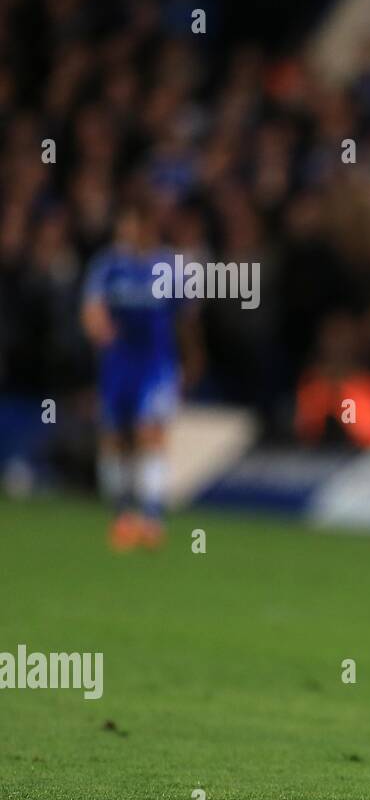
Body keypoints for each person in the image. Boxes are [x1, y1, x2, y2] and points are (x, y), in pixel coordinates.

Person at [81, 203, 200, 550]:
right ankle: (121, 516)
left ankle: (151, 518)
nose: (128, 233)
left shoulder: (170, 267)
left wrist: (193, 356)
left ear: (149, 227)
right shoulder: (108, 265)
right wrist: (98, 328)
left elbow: (187, 318)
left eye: (134, 226)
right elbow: (92, 309)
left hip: (156, 365)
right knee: (115, 437)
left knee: (151, 432)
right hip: (118, 364)